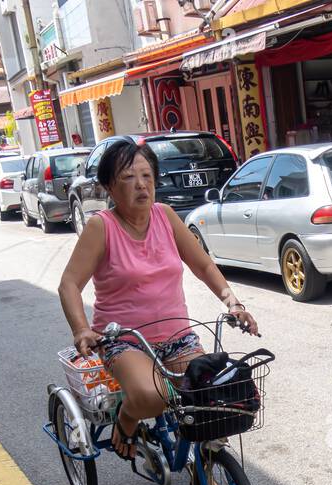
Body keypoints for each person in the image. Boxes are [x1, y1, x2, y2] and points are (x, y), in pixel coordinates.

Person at [57, 139, 258, 460]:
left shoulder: (165, 216)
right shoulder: (101, 227)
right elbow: (69, 284)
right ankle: (126, 420)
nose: (141, 185)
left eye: (147, 176)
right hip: (124, 342)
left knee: (212, 398)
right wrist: (82, 329)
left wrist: (232, 302)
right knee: (152, 396)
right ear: (109, 186)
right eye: (128, 177)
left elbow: (203, 264)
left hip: (178, 337)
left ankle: (211, 478)